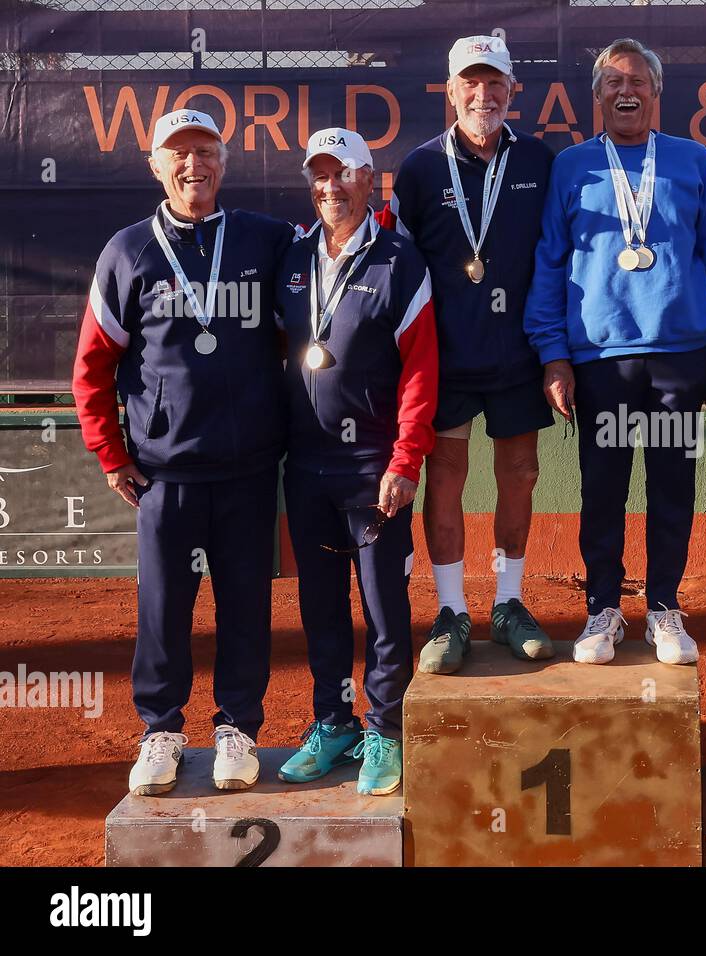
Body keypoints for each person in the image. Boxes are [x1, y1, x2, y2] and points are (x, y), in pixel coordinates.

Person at [71, 109, 294, 794]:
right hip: (163, 473)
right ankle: (161, 731)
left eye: (205, 151)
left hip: (251, 468)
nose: (193, 164)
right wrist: (111, 454)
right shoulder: (128, 251)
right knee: (163, 607)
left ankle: (237, 730)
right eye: (178, 154)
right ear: (156, 166)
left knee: (246, 605)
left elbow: (333, 272)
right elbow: (93, 365)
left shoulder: (266, 240)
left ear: (223, 162)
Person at [524, 37, 706, 665]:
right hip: (600, 360)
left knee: (673, 486)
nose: (625, 91)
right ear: (596, 98)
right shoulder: (572, 167)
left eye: (637, 82)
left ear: (656, 94)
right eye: (613, 82)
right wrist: (553, 354)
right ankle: (604, 612)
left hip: (679, 357)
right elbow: (549, 263)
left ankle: (665, 609)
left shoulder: (692, 159)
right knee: (604, 489)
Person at [273, 128, 437, 795]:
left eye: (344, 174)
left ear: (372, 182)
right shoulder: (290, 256)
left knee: (382, 604)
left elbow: (422, 369)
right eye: (319, 174)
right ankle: (333, 720)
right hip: (306, 465)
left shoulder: (400, 260)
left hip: (375, 468)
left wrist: (405, 460)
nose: (330, 187)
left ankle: (384, 730)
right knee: (320, 603)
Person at [385, 35, 556, 673]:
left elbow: (558, 255)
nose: (482, 95)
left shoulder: (541, 160)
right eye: (470, 84)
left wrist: (555, 352)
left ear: (512, 91)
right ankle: (452, 610)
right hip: (445, 358)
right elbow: (396, 266)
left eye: (494, 85)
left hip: (517, 354)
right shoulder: (420, 168)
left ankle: (509, 603)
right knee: (448, 479)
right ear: (451, 90)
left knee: (519, 476)